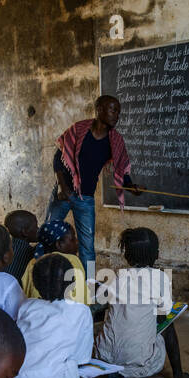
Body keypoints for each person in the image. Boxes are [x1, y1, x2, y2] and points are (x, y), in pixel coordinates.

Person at [49, 95, 142, 280]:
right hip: (63, 193)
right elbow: (58, 159)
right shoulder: (78, 130)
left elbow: (122, 170)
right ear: (99, 109)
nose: (116, 115)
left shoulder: (115, 141)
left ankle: (88, 288)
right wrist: (63, 187)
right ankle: (45, 281)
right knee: (48, 236)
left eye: (118, 112)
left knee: (87, 247)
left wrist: (130, 186)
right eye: (112, 110)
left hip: (86, 198)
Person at [96, 226, 189, 378]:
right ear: (156, 254)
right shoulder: (160, 278)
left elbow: (106, 302)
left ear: (127, 255)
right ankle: (179, 375)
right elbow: (163, 315)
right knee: (167, 326)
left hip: (104, 357)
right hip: (140, 365)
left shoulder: (116, 277)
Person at [21, 220, 88, 305]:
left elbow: (27, 293)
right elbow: (82, 299)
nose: (77, 242)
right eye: (73, 239)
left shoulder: (33, 262)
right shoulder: (72, 261)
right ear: (59, 244)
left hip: (36, 311)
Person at [3, 210, 38, 281]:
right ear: (25, 232)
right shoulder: (30, 253)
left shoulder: (5, 249)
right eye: (36, 226)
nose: (38, 229)